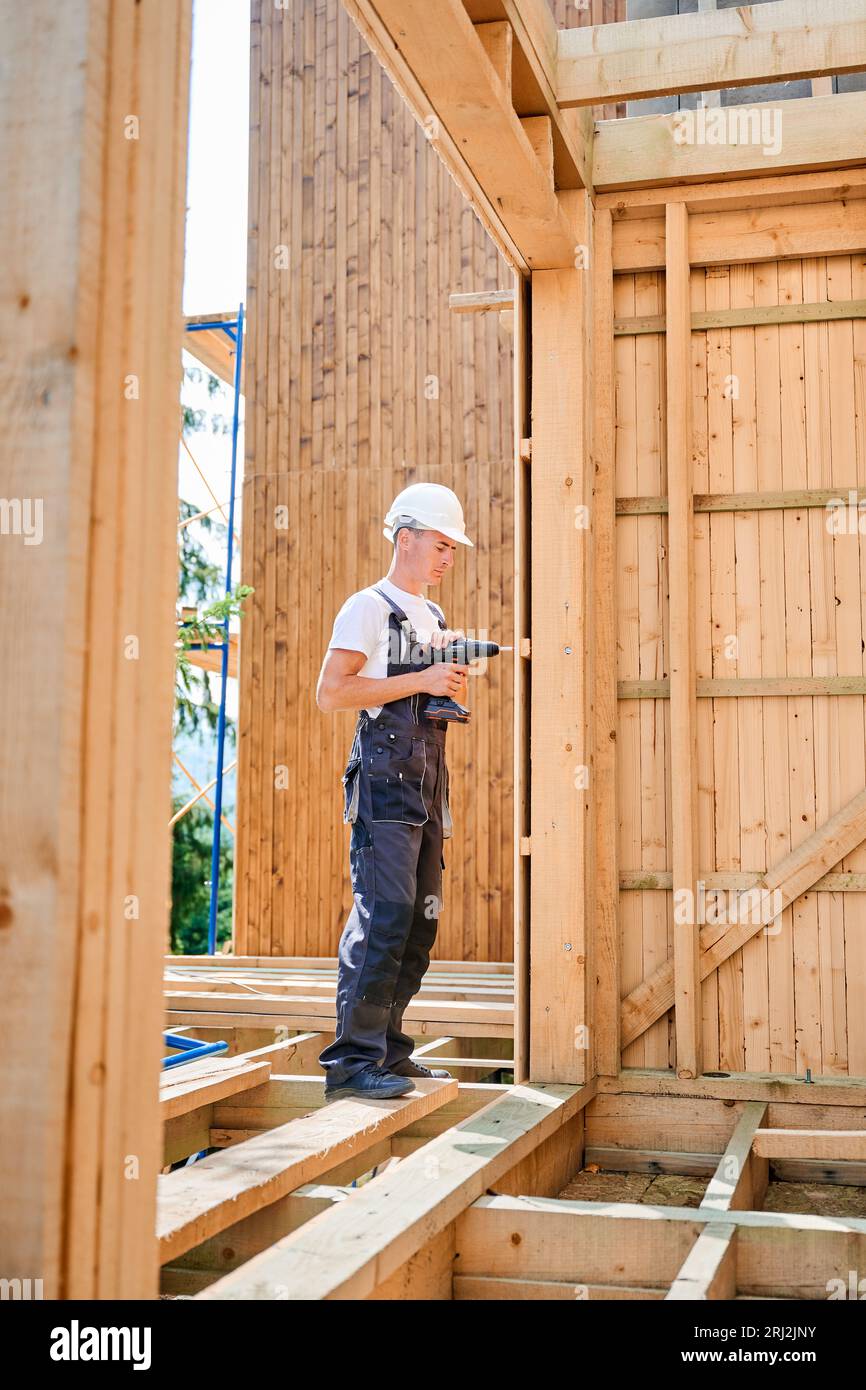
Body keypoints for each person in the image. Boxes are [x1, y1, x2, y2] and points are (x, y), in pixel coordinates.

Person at [315, 483, 473, 1100]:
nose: (447, 559)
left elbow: (405, 685)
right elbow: (332, 693)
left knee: (416, 924)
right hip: (383, 786)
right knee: (382, 917)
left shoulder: (428, 615)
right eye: (440, 545)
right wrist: (425, 676)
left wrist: (440, 684)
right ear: (405, 538)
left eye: (452, 550)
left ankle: (389, 1051)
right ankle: (352, 1063)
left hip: (427, 784)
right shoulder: (367, 607)